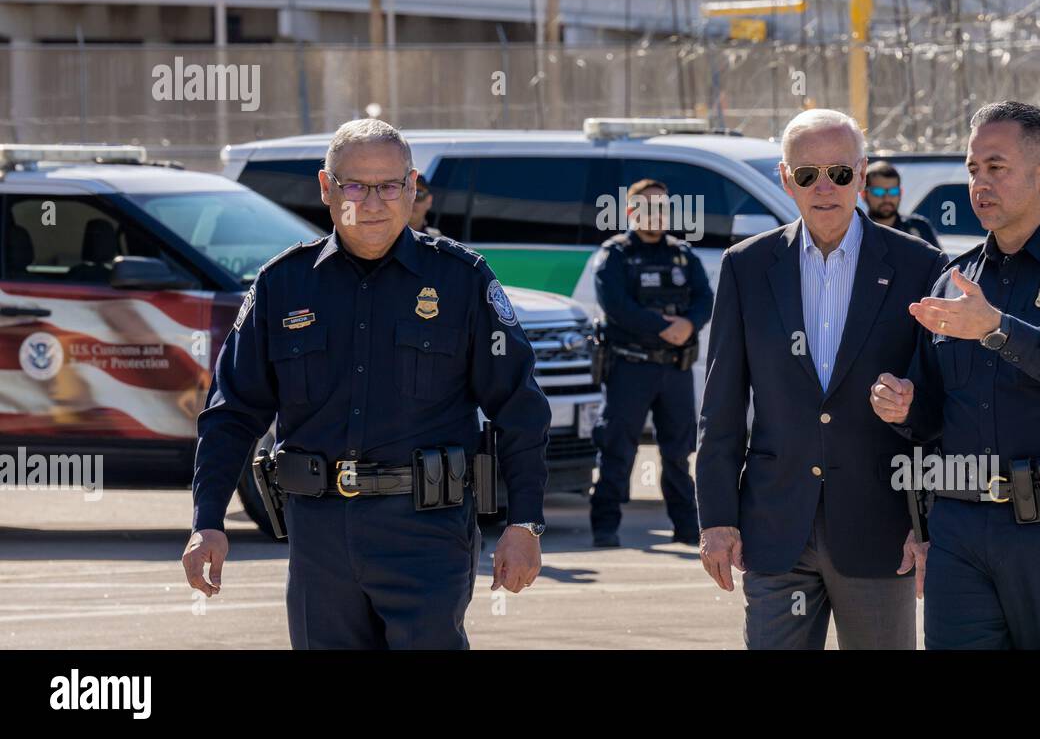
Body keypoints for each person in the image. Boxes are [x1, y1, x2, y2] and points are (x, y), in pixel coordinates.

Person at [182, 118, 549, 649]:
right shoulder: (283, 285)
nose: (373, 202)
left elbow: (519, 407)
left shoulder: (462, 280)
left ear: (412, 187)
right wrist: (207, 519)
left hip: (428, 534)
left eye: (390, 186)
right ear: (327, 189)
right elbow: (232, 413)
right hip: (319, 536)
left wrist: (526, 524)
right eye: (355, 185)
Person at [871, 101, 1040, 650]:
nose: (980, 183)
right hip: (961, 532)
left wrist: (996, 328)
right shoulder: (956, 278)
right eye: (973, 169)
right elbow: (933, 415)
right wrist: (903, 406)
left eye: (997, 167)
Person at [697, 109, 945, 650]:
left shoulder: (919, 265)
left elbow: (944, 406)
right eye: (807, 174)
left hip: (882, 530)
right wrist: (716, 518)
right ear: (786, 179)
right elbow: (721, 404)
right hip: (775, 527)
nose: (824, 186)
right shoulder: (746, 266)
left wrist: (927, 525)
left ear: (861, 174)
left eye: (838, 172)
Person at [590, 178, 713, 548]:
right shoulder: (616, 254)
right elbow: (617, 308)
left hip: (673, 369)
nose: (656, 215)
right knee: (617, 449)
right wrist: (664, 328)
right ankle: (605, 528)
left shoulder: (682, 255)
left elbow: (704, 299)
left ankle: (687, 528)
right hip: (630, 367)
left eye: (662, 207)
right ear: (631, 212)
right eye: (647, 208)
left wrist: (690, 325)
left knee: (679, 453)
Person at [861, 160, 942, 249]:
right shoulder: (856, 231)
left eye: (893, 191)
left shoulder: (920, 229)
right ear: (864, 195)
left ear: (900, 193)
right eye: (878, 192)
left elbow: (941, 262)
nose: (887, 198)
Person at [409, 173, 441, 237]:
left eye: (419, 194)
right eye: (408, 193)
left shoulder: (436, 240)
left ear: (429, 201)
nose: (412, 200)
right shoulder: (385, 238)